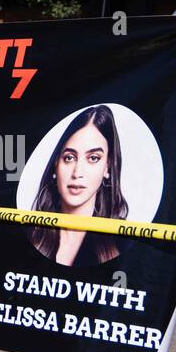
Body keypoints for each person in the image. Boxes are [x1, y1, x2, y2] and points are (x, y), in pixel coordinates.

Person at [29, 104, 128, 266]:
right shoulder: (29, 232)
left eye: (93, 158)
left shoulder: (124, 241)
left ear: (107, 168)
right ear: (56, 164)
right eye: (69, 157)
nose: (77, 172)